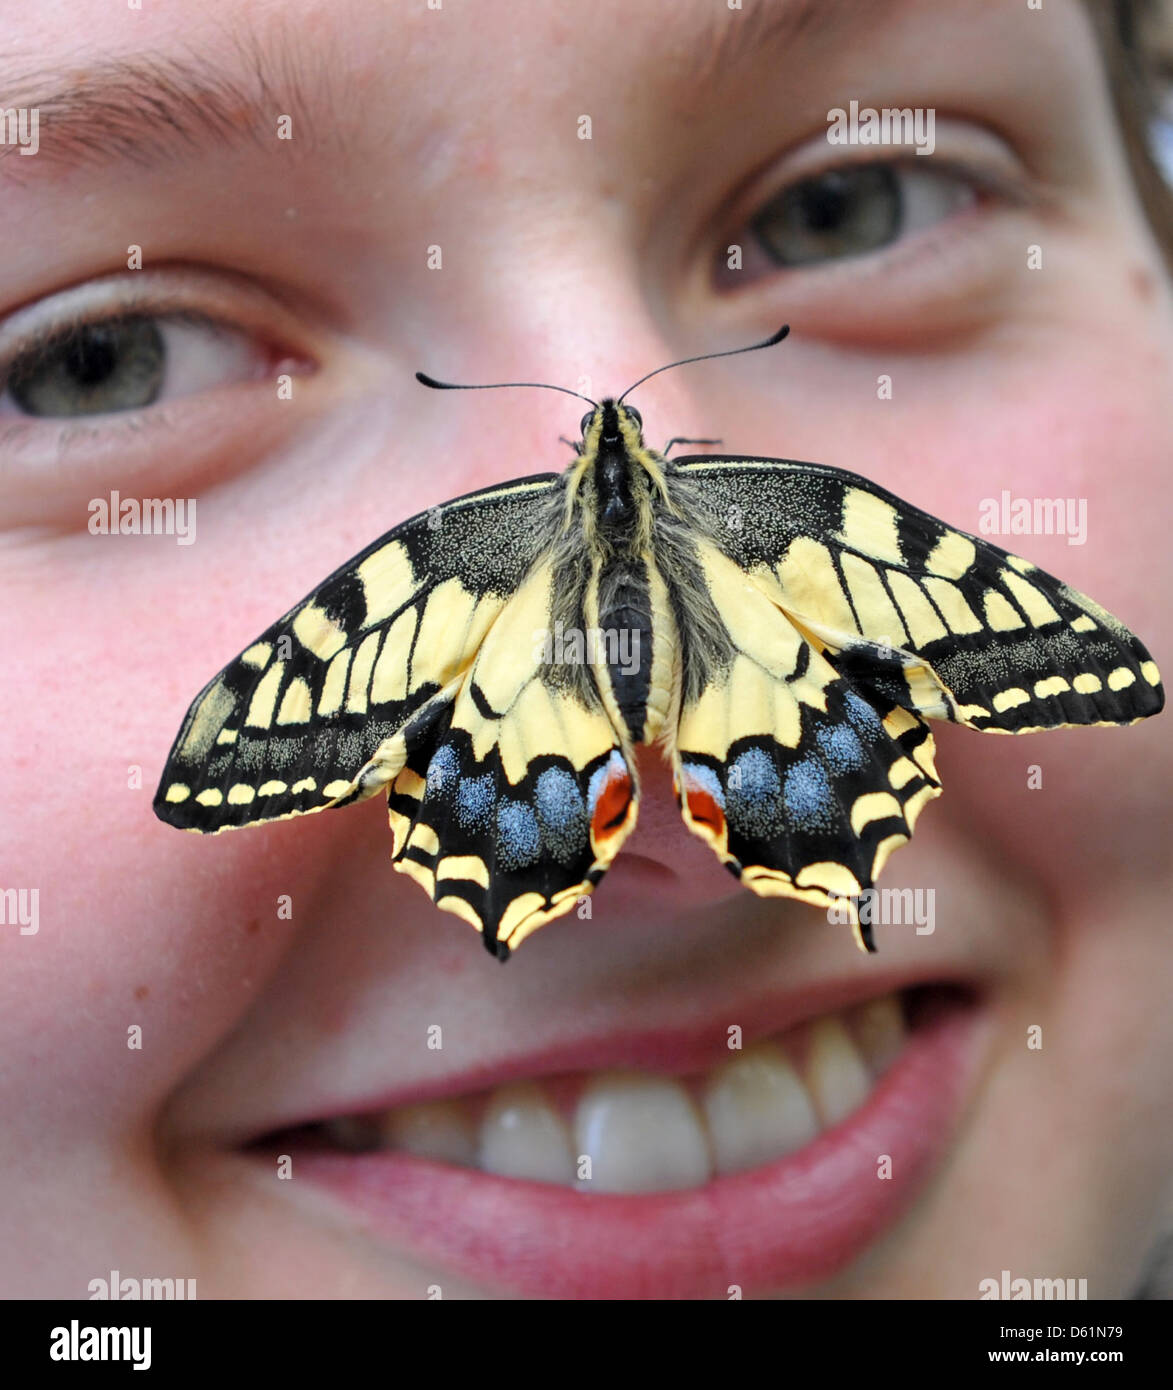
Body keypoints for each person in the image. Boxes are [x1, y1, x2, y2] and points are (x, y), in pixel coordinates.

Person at [1, 0, 1170, 1300]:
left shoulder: (455, 555)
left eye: (848, 203)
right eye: (99, 364)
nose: (652, 793)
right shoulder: (788, 528)